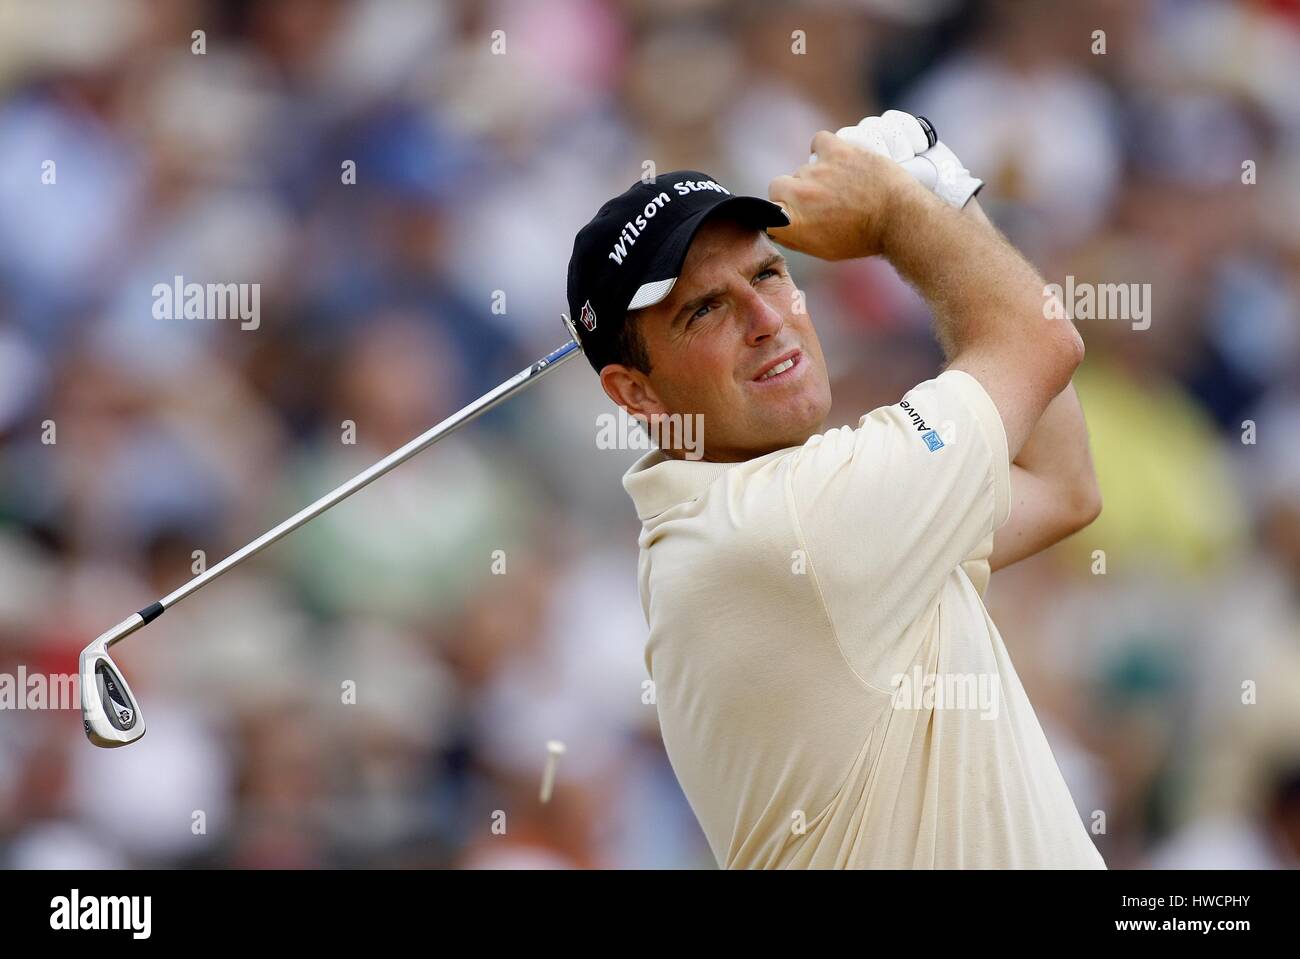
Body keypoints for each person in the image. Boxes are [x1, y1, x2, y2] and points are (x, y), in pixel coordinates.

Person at [564, 112, 1105, 868]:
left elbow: (1060, 483)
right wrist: (909, 204)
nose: (765, 320)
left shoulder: (749, 519)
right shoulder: (788, 525)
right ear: (637, 393)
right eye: (704, 309)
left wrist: (937, 198)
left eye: (767, 274)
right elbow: (1040, 340)